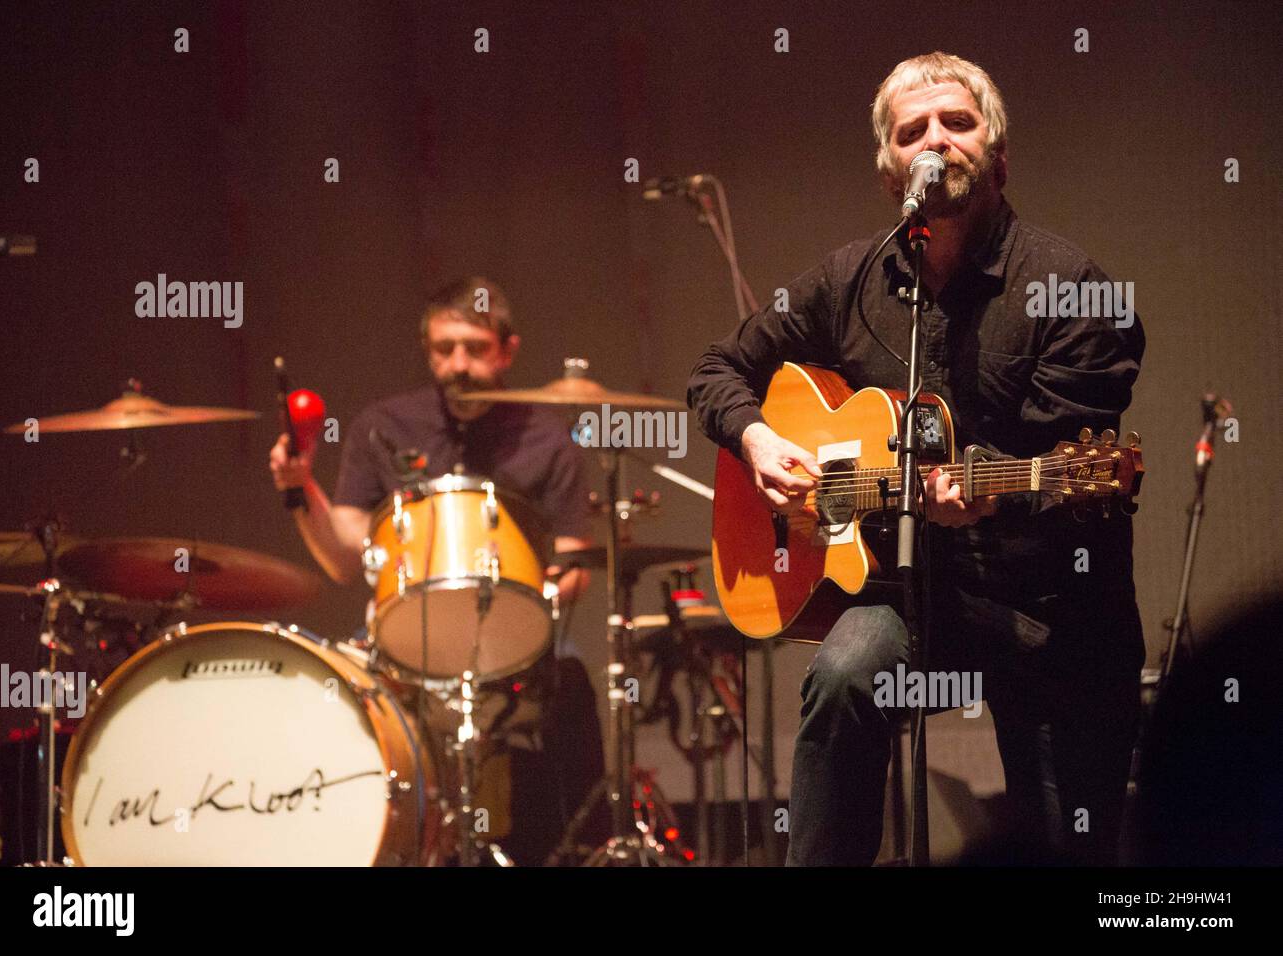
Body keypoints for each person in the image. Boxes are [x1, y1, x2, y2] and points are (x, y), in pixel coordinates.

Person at [687, 52, 1146, 865]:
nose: (935, 140)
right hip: (911, 594)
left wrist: (996, 492)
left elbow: (1067, 466)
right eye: (913, 131)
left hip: (1048, 608)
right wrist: (757, 438)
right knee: (844, 672)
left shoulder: (1071, 288)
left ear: (998, 156)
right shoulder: (849, 281)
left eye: (957, 123)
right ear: (891, 168)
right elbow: (716, 370)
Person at [269, 276, 605, 864]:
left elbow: (575, 566)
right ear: (428, 352)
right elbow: (346, 558)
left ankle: (564, 851)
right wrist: (301, 491)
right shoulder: (383, 425)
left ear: (507, 351)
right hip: (402, 638)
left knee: (572, 686)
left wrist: (526, 603)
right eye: (444, 349)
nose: (459, 364)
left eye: (475, 348)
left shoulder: (549, 440)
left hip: (516, 637)